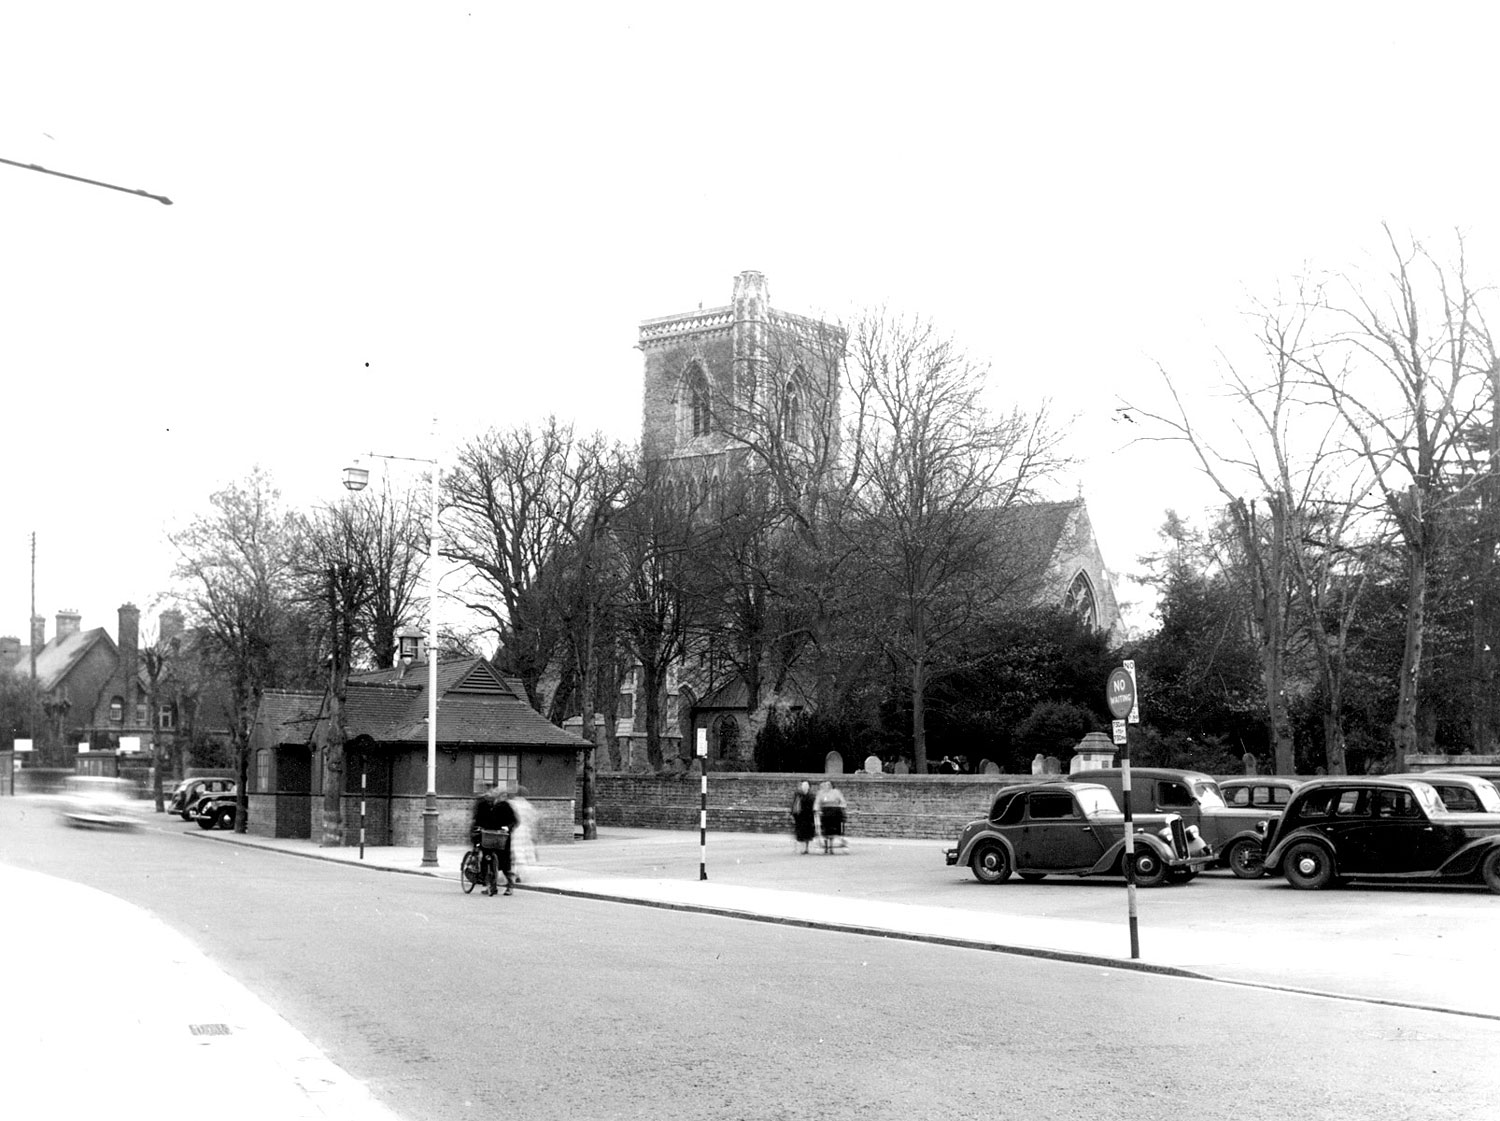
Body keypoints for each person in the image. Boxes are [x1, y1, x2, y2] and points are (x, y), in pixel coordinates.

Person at [469, 784, 518, 896]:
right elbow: (481, 819)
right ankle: (492, 886)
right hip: (489, 835)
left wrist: (508, 827)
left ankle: (510, 885)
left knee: (504, 862)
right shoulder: (488, 805)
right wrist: (479, 828)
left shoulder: (506, 806)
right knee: (487, 860)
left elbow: (514, 821)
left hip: (502, 837)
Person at [509, 784, 539, 880]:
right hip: (525, 831)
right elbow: (533, 820)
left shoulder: (511, 804)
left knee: (513, 852)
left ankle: (513, 874)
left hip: (514, 829)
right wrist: (534, 834)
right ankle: (520, 874)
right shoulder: (528, 806)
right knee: (522, 852)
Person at [815, 780, 847, 854]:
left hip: (834, 813)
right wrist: (816, 809)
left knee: (833, 830)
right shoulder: (821, 793)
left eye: (829, 785)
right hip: (825, 813)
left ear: (832, 786)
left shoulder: (836, 792)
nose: (827, 786)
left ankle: (831, 846)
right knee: (825, 830)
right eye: (826, 785)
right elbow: (817, 802)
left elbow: (842, 801)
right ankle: (826, 847)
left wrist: (841, 807)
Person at [790, 780, 817, 854]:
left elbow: (813, 806)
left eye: (806, 786)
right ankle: (802, 847)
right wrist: (792, 814)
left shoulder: (811, 796)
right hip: (800, 816)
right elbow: (795, 805)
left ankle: (806, 848)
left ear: (808, 787)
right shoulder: (798, 795)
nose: (804, 787)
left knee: (808, 833)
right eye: (803, 786)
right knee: (800, 832)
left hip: (808, 816)